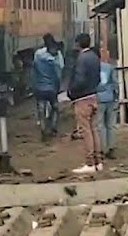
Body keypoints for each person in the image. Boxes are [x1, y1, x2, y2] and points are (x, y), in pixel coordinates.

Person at [66, 32, 102, 174]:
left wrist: (71, 92)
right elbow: (98, 78)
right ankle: (98, 162)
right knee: (94, 130)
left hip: (82, 99)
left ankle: (89, 163)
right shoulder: (94, 57)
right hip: (93, 96)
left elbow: (79, 80)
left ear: (78, 43)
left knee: (85, 131)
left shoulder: (82, 58)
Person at [31, 34, 65, 136]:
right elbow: (60, 72)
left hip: (39, 88)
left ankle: (43, 128)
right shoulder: (56, 58)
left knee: (41, 108)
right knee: (55, 107)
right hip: (52, 88)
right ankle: (53, 127)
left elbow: (34, 69)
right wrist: (58, 85)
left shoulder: (38, 54)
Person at [97, 47, 120, 159]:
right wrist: (116, 96)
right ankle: (111, 147)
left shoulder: (94, 68)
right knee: (110, 124)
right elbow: (115, 83)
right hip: (110, 98)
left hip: (99, 99)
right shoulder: (110, 68)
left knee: (100, 124)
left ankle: (102, 148)